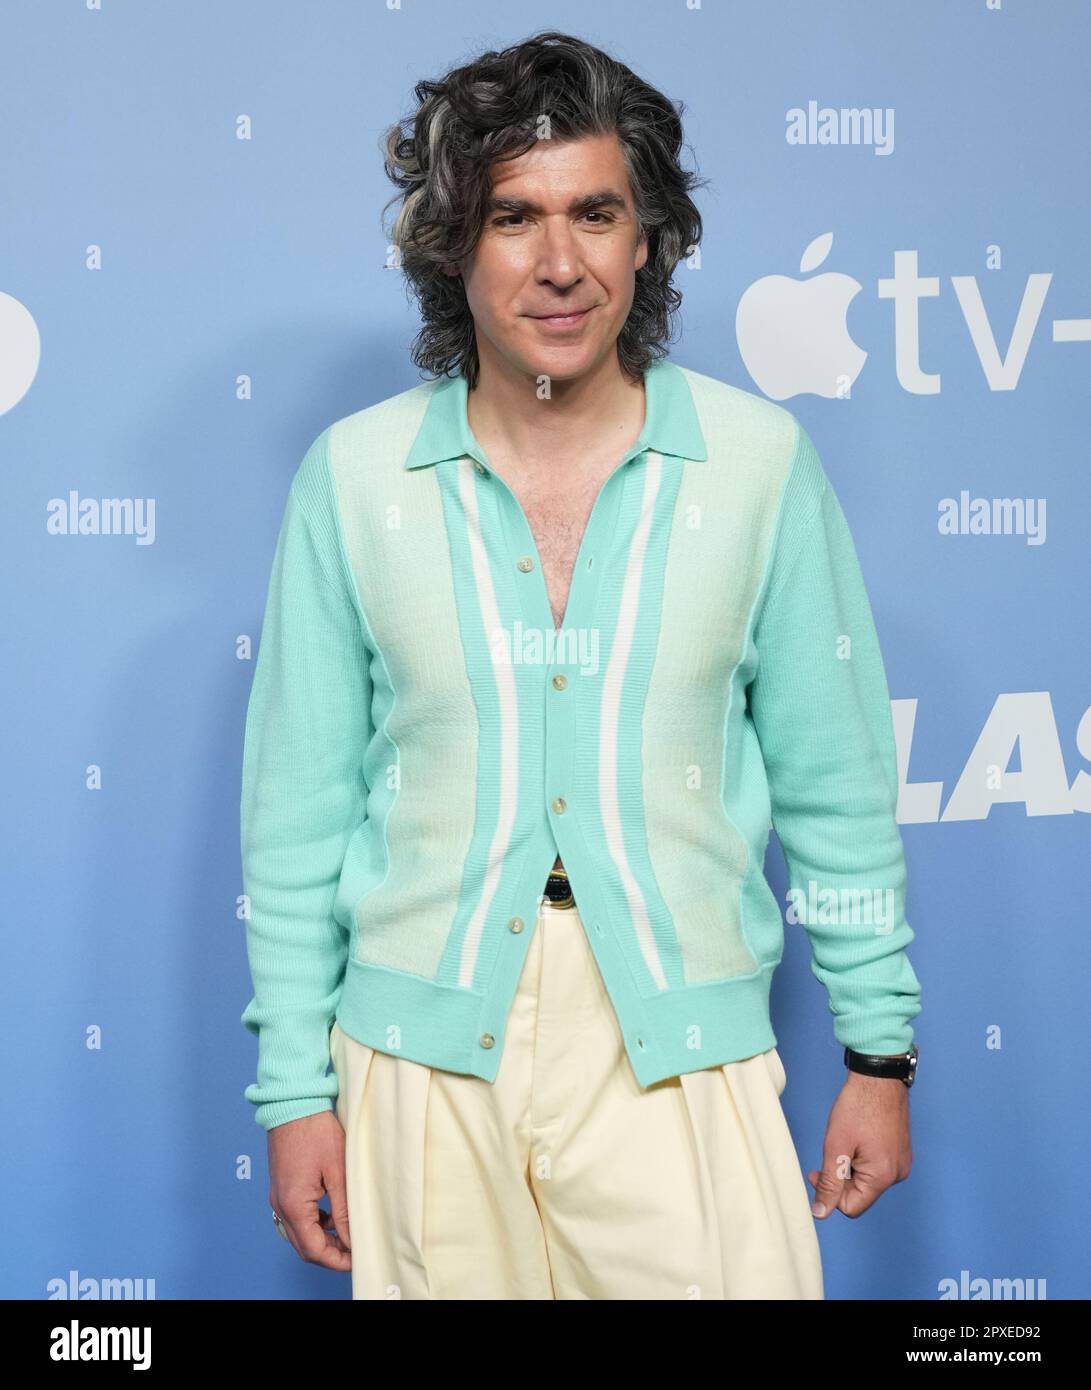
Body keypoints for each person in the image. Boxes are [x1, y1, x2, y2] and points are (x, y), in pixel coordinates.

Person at [239, 30, 922, 1300]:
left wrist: (876, 1058)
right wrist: (295, 1091)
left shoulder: (757, 465)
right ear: (452, 242)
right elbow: (295, 817)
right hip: (421, 1072)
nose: (559, 263)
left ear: (647, 237)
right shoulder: (350, 478)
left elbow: (834, 791)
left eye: (595, 212)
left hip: (684, 1065)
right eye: (513, 217)